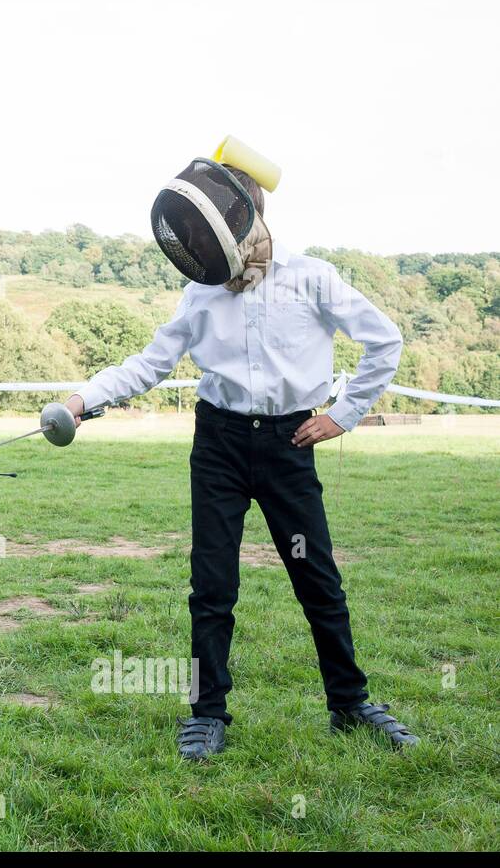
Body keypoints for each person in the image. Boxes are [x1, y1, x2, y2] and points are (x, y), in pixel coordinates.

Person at [70, 146, 418, 759]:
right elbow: (150, 364)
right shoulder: (198, 294)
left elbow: (383, 342)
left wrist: (342, 414)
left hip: (289, 444)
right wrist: (82, 399)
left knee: (318, 579)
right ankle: (208, 715)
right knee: (212, 585)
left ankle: (351, 703)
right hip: (220, 446)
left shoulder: (312, 277)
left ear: (247, 217)